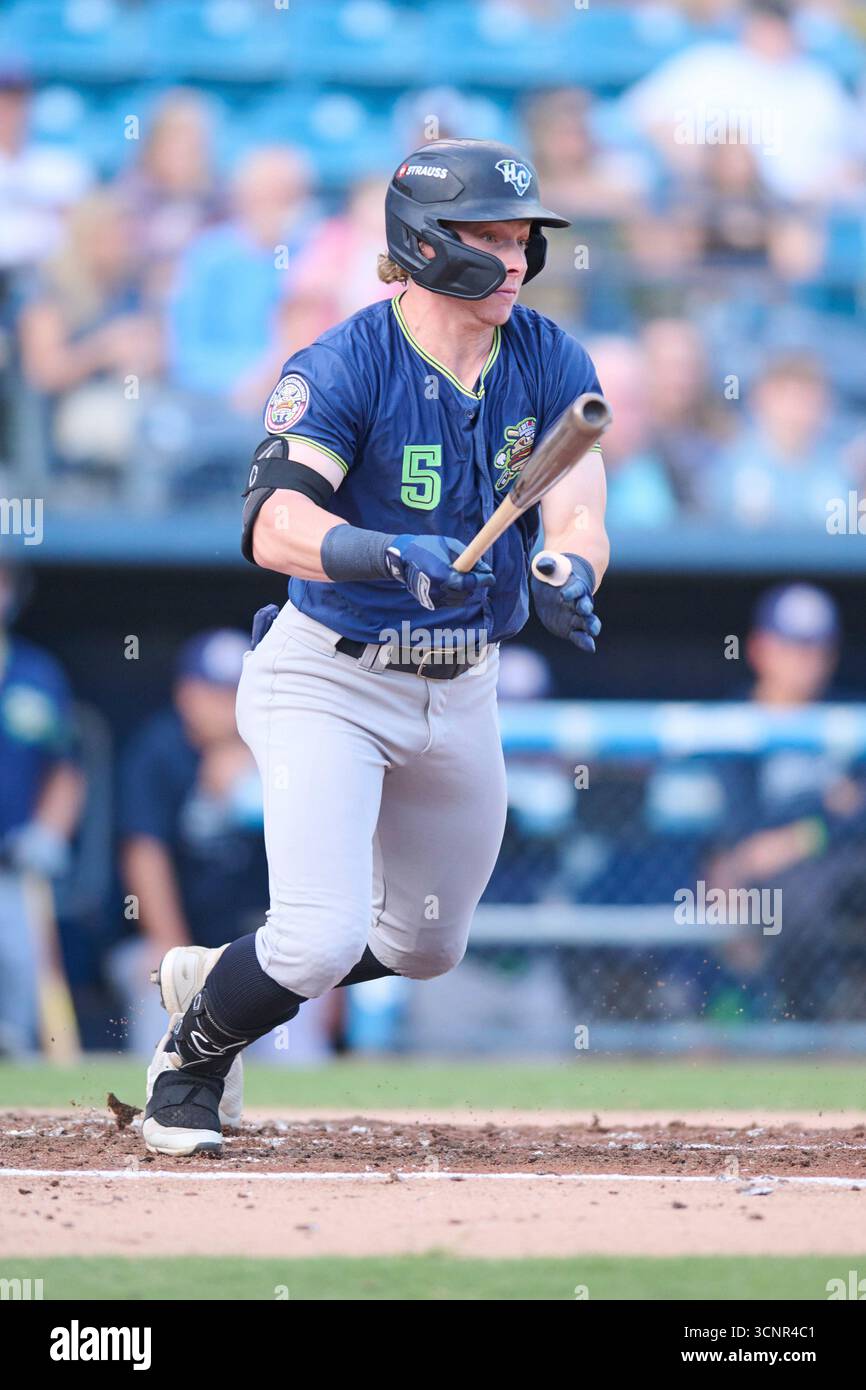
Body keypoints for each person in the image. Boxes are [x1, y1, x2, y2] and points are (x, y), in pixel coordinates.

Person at [141, 138, 610, 1154]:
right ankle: (190, 1059)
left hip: (462, 686)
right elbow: (271, 525)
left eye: (520, 234)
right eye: (488, 235)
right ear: (426, 243)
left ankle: (225, 969)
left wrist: (569, 569)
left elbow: (577, 507)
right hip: (331, 675)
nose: (515, 256)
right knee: (319, 935)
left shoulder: (545, 355)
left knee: (426, 944)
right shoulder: (343, 361)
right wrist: (379, 551)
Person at [112, 631, 269, 1053]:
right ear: (185, 693)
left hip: (264, 945)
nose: (226, 704)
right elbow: (144, 854)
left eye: (235, 692)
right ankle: (153, 1104)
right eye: (213, 692)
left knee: (304, 1005)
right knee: (158, 979)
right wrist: (175, 950)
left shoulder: (281, 750)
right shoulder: (158, 750)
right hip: (172, 936)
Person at [0, 561, 83, 1052]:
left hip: (12, 865)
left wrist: (48, 833)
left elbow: (66, 768)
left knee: (22, 965)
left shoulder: (37, 673)